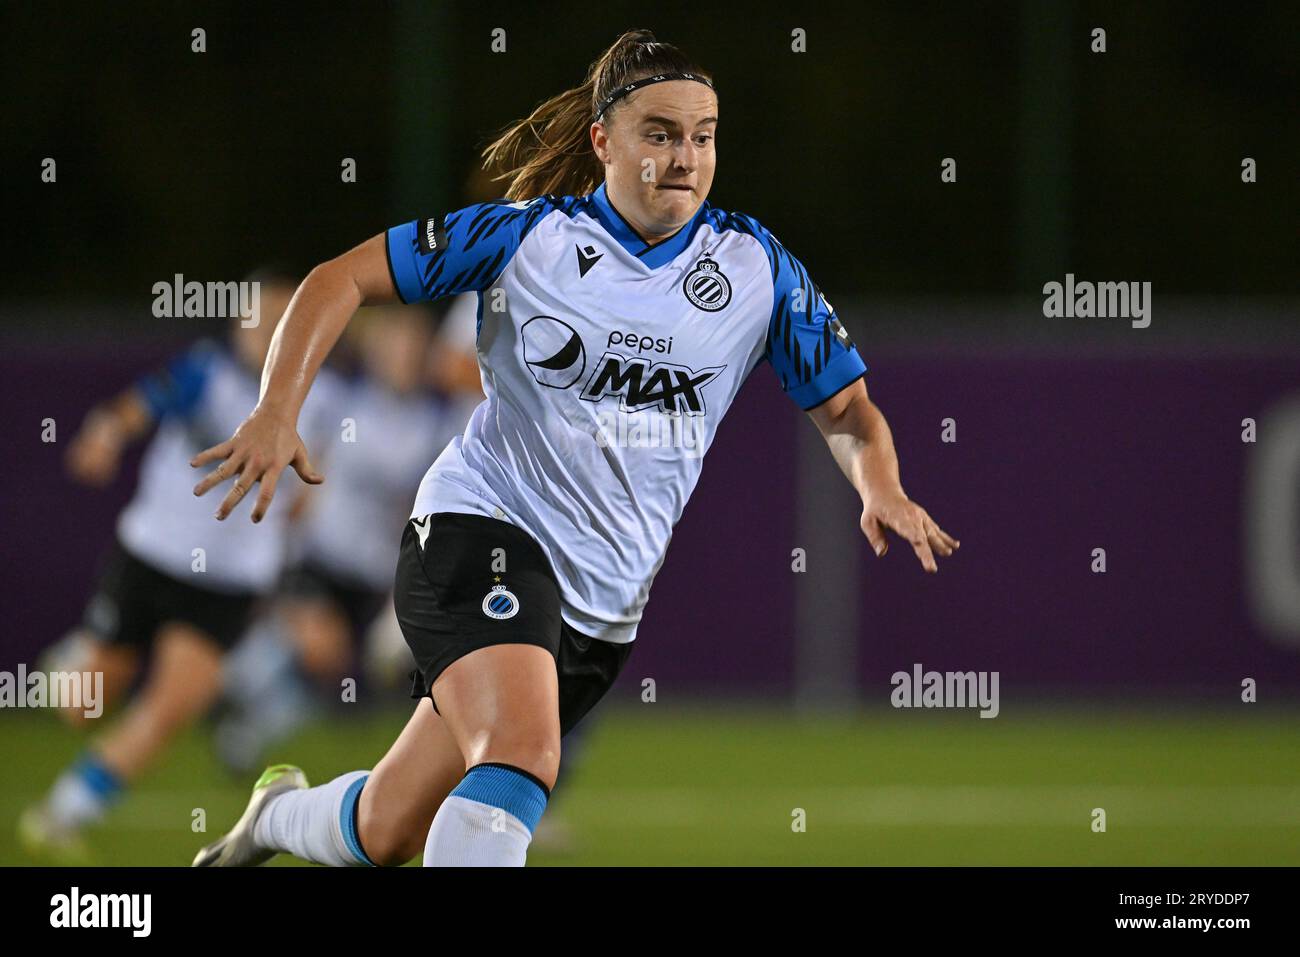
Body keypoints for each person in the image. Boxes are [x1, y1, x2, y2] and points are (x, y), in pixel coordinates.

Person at [192, 29, 959, 869]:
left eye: (703, 136)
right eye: (659, 133)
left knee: (388, 827)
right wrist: (276, 409)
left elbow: (849, 412)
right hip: (480, 530)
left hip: (601, 606)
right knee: (523, 758)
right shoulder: (526, 238)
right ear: (604, 141)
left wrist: (878, 483)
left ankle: (275, 816)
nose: (686, 157)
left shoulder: (756, 268)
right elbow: (339, 279)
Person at [18, 270, 339, 860]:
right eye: (258, 318)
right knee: (83, 706)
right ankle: (74, 663)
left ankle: (62, 812)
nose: (268, 332)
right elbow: (134, 407)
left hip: (229, 584)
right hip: (152, 560)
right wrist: (106, 434)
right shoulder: (205, 372)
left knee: (169, 708)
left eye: (281, 321)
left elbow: (308, 496)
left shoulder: (320, 397)